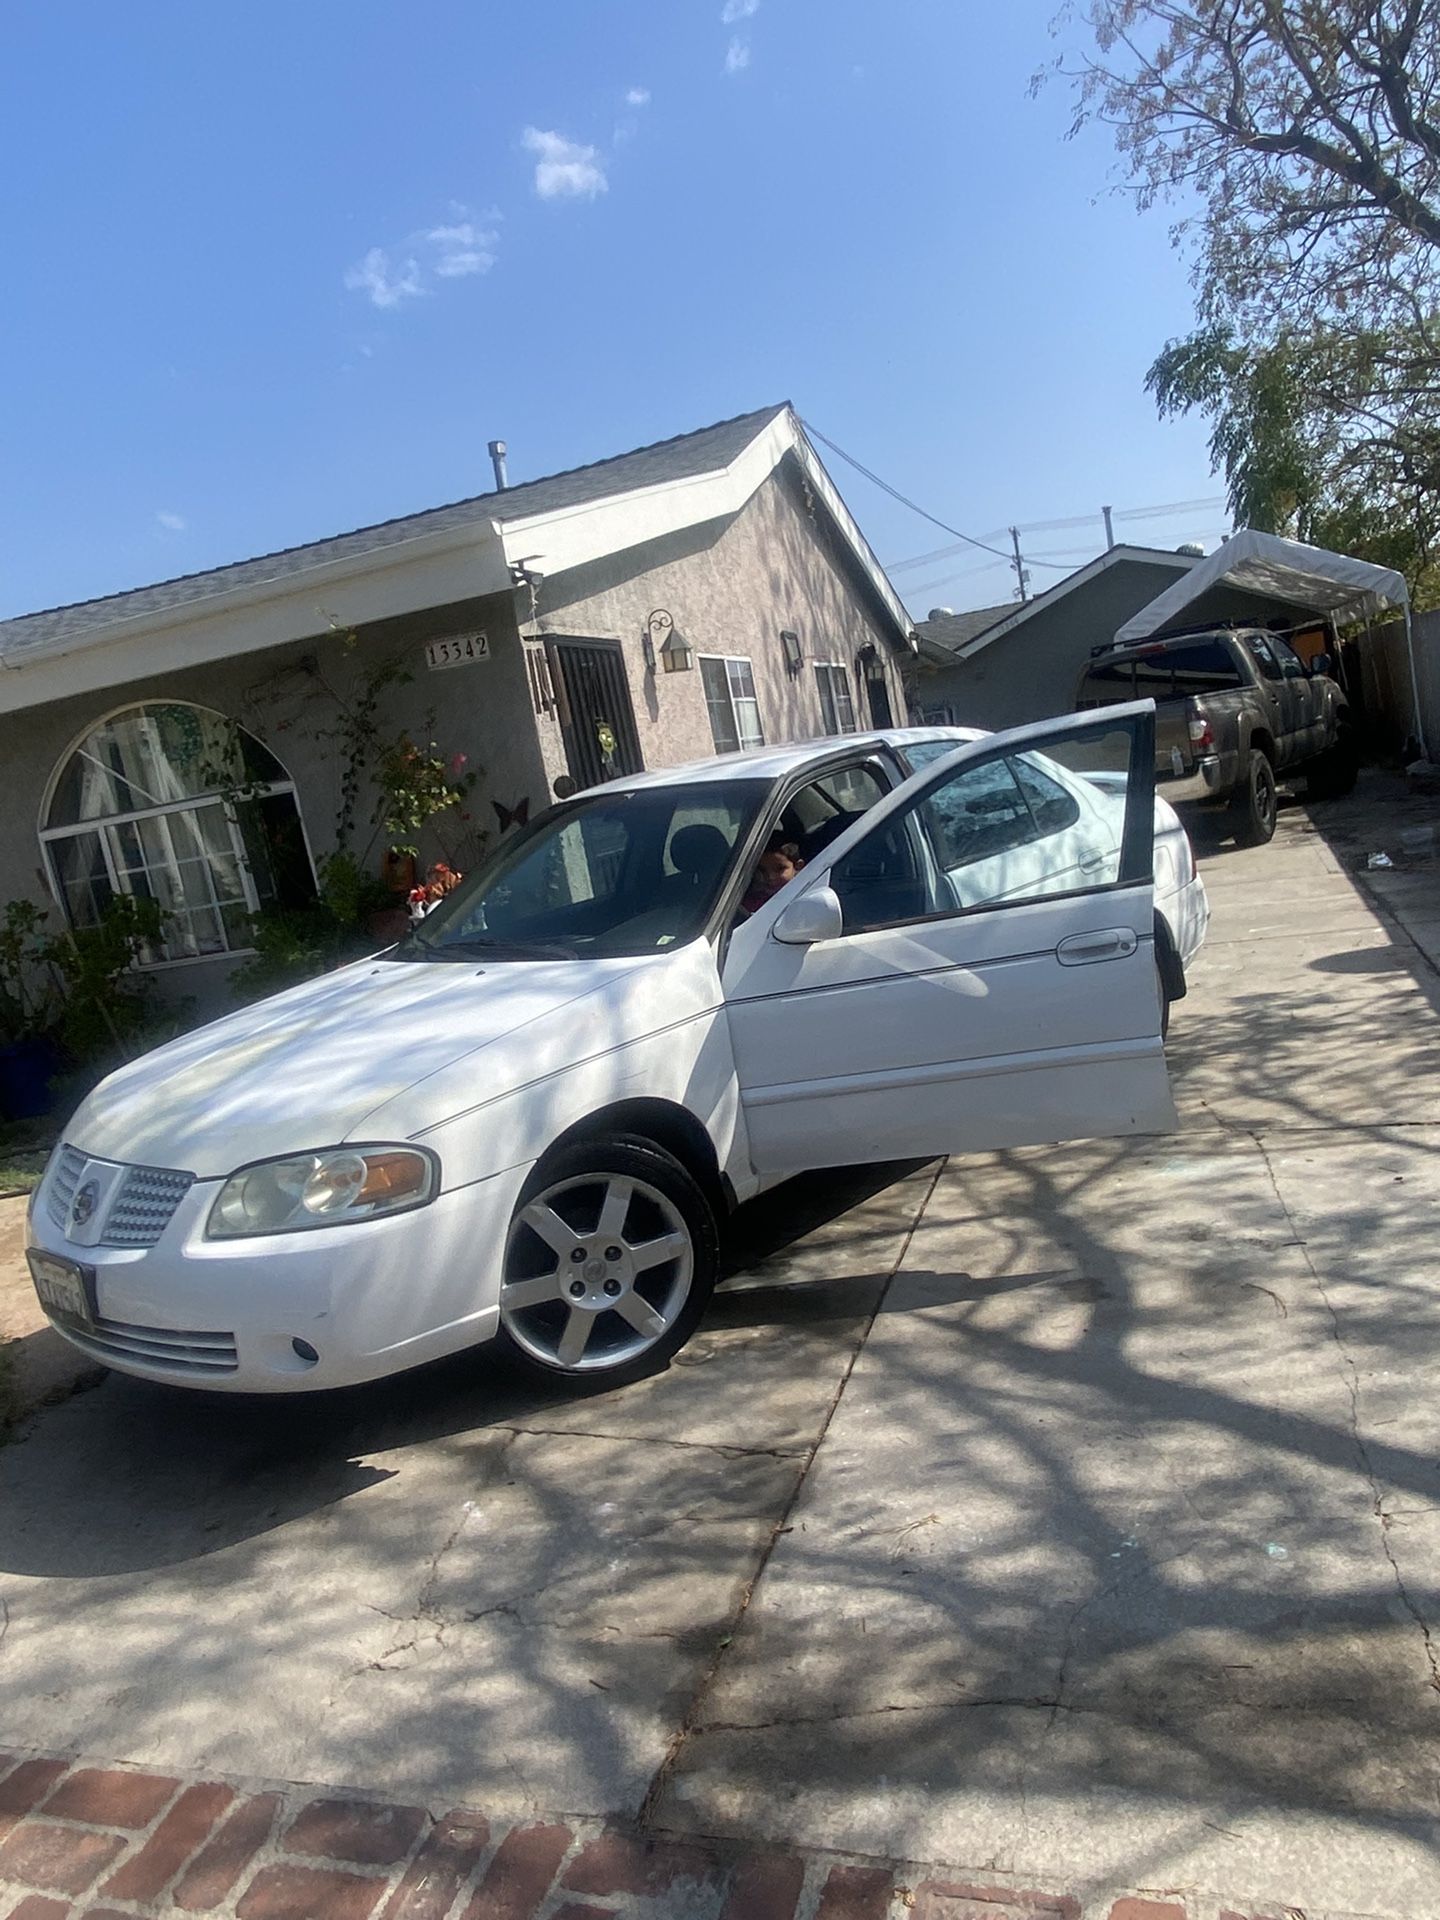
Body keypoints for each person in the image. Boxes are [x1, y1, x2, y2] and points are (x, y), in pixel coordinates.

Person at [738, 833, 804, 919]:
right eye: (762, 870)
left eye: (780, 869)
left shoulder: (805, 895)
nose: (771, 877)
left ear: (798, 866)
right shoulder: (751, 902)